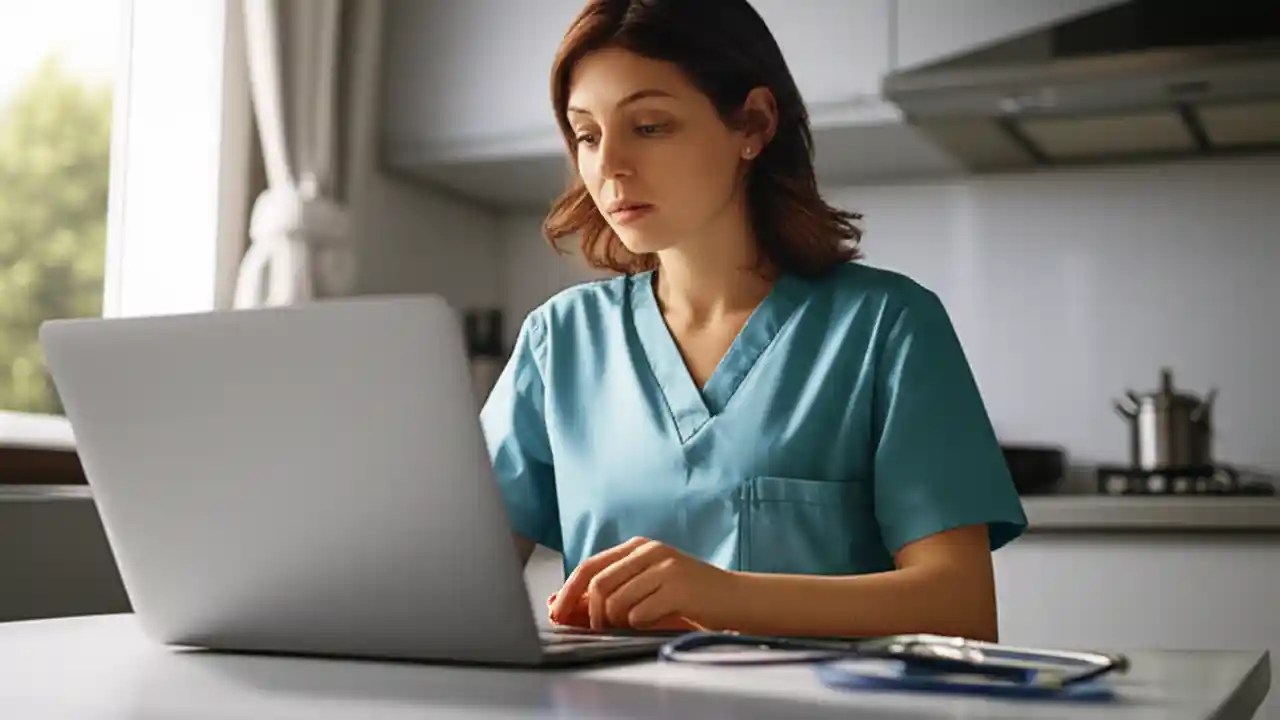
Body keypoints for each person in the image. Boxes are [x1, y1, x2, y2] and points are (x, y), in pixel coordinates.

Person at [479, 0, 1027, 641]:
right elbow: (453, 580)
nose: (609, 166)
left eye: (650, 125)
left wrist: (722, 595)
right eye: (587, 134)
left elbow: (961, 610)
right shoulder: (560, 340)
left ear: (754, 124)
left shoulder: (887, 326)